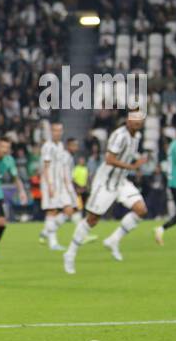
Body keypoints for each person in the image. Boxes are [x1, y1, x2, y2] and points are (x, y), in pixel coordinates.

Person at [63, 114, 148, 274]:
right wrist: (131, 167)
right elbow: (109, 159)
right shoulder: (119, 135)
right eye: (134, 119)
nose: (137, 122)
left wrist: (136, 163)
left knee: (141, 210)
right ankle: (70, 253)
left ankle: (113, 240)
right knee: (92, 220)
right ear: (128, 120)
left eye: (139, 119)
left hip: (121, 182)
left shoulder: (137, 137)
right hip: (106, 183)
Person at [39, 123, 81, 251]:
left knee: (65, 210)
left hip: (59, 184)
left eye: (59, 130)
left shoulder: (61, 146)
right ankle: (53, 243)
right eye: (55, 130)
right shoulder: (48, 146)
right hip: (49, 183)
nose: (57, 132)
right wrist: (50, 185)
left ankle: (46, 232)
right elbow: (45, 167)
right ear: (51, 132)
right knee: (52, 211)